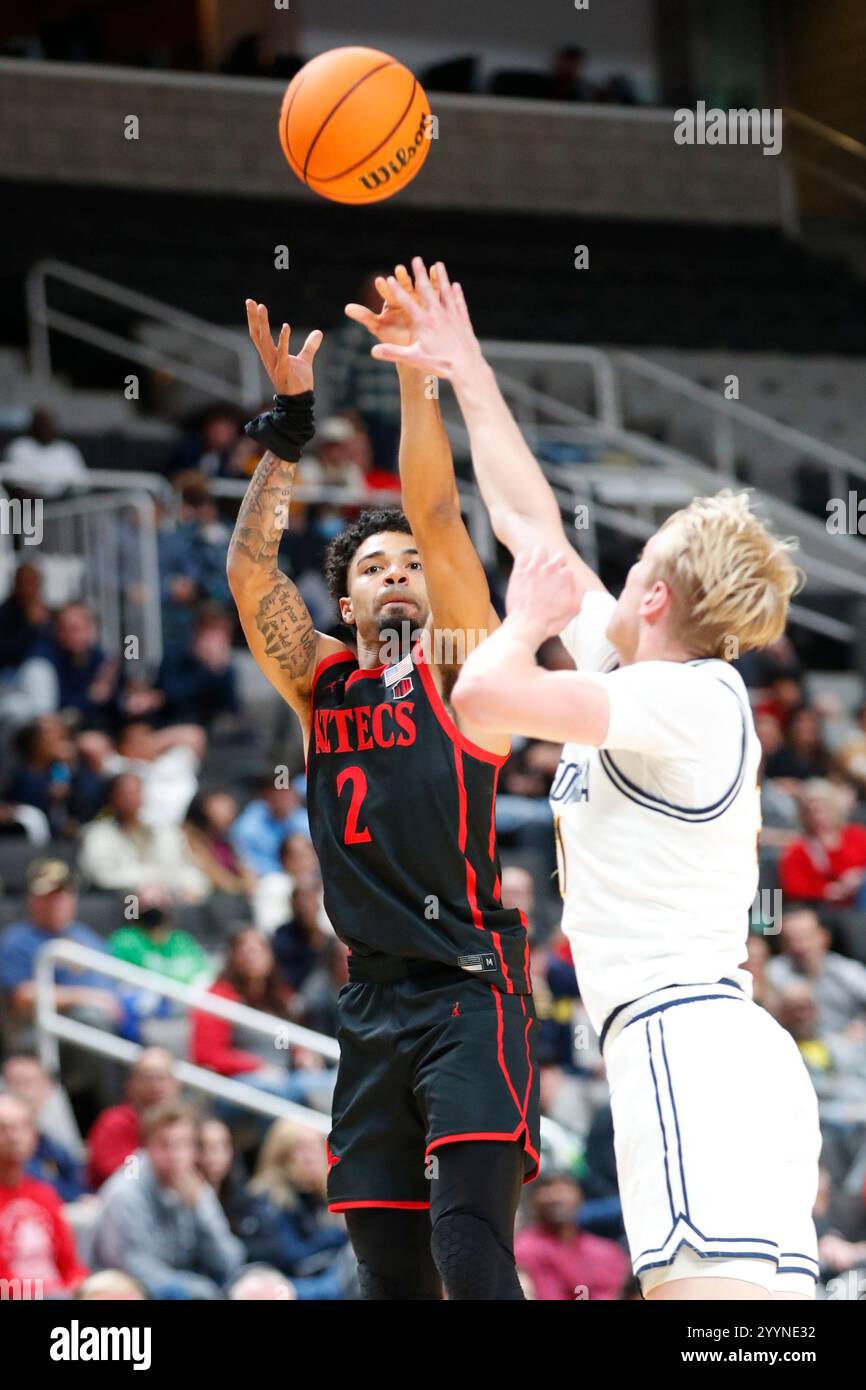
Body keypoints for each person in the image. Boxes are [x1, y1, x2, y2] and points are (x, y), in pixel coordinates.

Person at [377, 257, 821, 1301]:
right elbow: (529, 528)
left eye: (628, 569)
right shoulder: (653, 680)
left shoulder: (683, 701)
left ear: (655, 595)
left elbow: (482, 697)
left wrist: (524, 626)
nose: (607, 577)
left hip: (681, 1035)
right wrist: (465, 371)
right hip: (714, 1043)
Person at [226, 281, 539, 1301]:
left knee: (467, 1247)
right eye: (374, 565)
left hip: (465, 989)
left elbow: (442, 514)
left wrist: (414, 383)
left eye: (406, 563)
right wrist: (285, 432)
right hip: (368, 1001)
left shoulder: (455, 664)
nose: (399, 572)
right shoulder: (320, 685)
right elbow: (246, 571)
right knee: (387, 1275)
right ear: (346, 597)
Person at [91, 1102, 244, 1298]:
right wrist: (198, 1288)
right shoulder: (125, 1191)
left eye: (183, 1144)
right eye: (164, 1144)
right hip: (127, 1289)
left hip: (189, 1283)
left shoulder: (195, 1187)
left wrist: (200, 1208)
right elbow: (133, 1268)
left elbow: (229, 1260)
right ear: (146, 1146)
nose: (175, 1155)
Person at [0, 859, 120, 1050]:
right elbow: (22, 997)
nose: (58, 902)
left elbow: (113, 983)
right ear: (32, 899)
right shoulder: (17, 940)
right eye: (49, 896)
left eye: (64, 894)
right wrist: (88, 998)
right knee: (90, 1019)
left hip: (109, 1021)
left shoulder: (86, 935)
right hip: (48, 1030)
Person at [0, 1094, 88, 1294]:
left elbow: (70, 1264)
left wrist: (80, 1286)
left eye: (22, 1127)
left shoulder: (45, 1193)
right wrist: (51, 1293)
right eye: (3, 1128)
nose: (14, 1137)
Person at [79, 771, 210, 901]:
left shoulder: (165, 833)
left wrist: (189, 888)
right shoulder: (97, 834)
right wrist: (148, 882)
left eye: (136, 792)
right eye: (126, 794)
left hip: (169, 899)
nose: (132, 799)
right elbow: (101, 876)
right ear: (112, 797)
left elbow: (186, 869)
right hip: (123, 903)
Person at [515, 1171, 630, 1300]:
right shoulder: (525, 1249)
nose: (556, 1195)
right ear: (532, 1200)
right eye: (547, 1187)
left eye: (565, 1186)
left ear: (581, 1196)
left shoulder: (608, 1251)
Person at [85, 1047, 179, 1190]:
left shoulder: (182, 1126)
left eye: (162, 1078)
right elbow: (124, 1177)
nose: (156, 1085)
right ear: (132, 1084)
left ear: (175, 1084)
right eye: (148, 1077)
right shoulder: (115, 1122)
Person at [766, 907, 866, 1039]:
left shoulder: (848, 971)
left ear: (824, 937)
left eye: (806, 937)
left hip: (846, 1049)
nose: (800, 946)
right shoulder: (772, 972)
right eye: (790, 939)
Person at [779, 780, 866, 906]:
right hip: (824, 909)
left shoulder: (857, 836)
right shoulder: (798, 848)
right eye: (812, 812)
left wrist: (860, 875)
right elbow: (793, 886)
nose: (819, 817)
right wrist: (826, 890)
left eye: (824, 810)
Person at [230, 775, 309, 877]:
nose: (284, 798)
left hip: (305, 878)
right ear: (266, 796)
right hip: (268, 879)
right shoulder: (248, 827)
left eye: (287, 792)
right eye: (278, 793)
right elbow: (249, 866)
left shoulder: (303, 819)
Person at [1, 407, 90, 497]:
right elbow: (12, 484)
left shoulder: (68, 450)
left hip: (64, 504)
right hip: (29, 504)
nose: (46, 428)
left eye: (49, 424)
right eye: (42, 424)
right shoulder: (19, 447)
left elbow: (81, 485)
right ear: (33, 426)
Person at [184, 789, 253, 897]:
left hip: (236, 895)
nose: (228, 810)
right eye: (221, 804)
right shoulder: (191, 836)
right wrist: (241, 886)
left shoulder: (230, 837)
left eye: (230, 805)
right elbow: (214, 875)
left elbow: (247, 871)